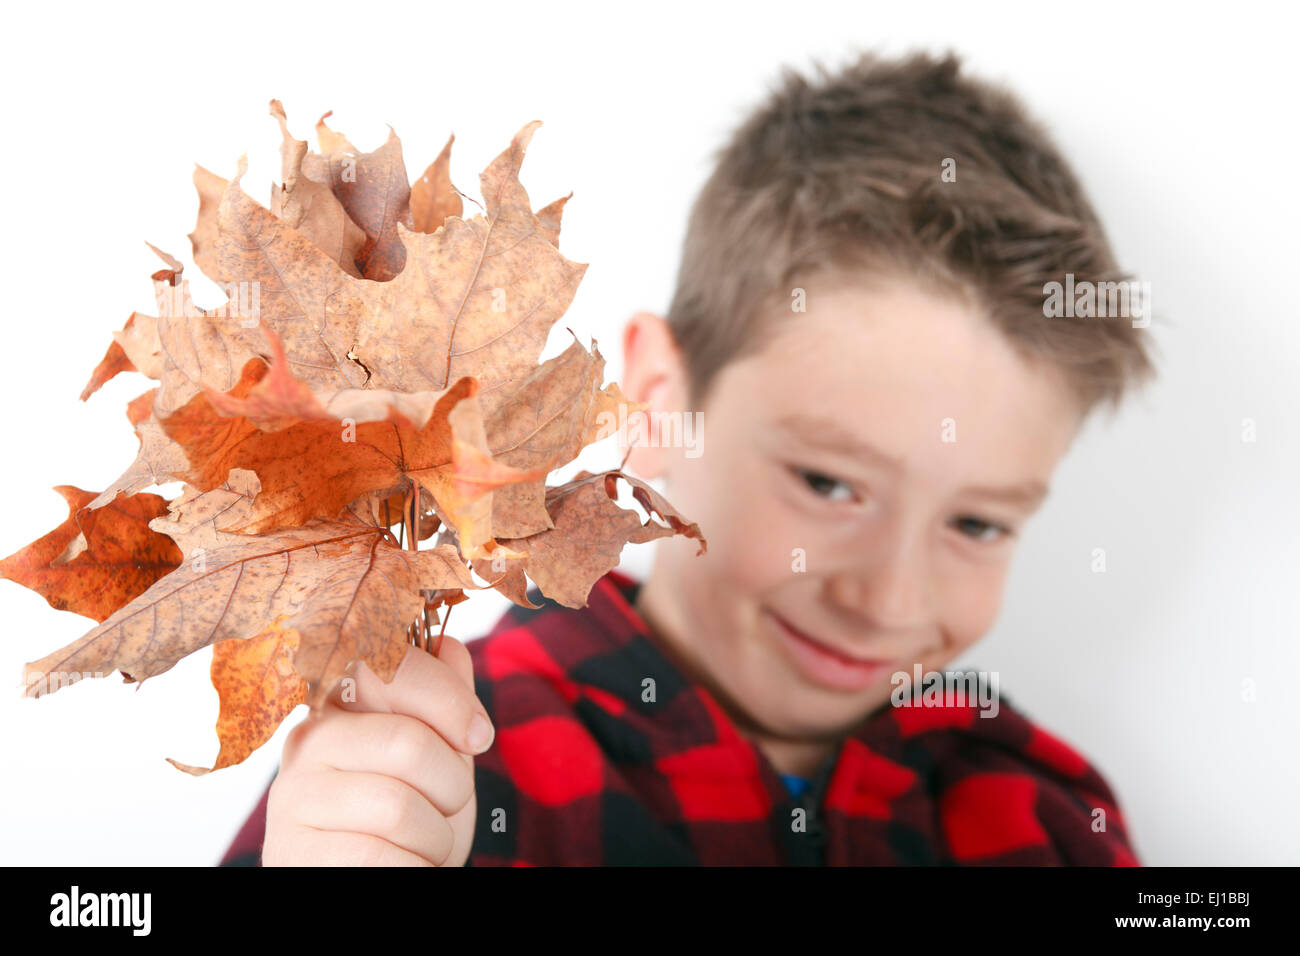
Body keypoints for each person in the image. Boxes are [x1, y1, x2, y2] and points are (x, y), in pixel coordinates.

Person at [221, 49, 1156, 866]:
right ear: (660, 406)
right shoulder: (419, 778)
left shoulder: (1040, 821)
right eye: (829, 482)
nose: (891, 601)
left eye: (978, 523)